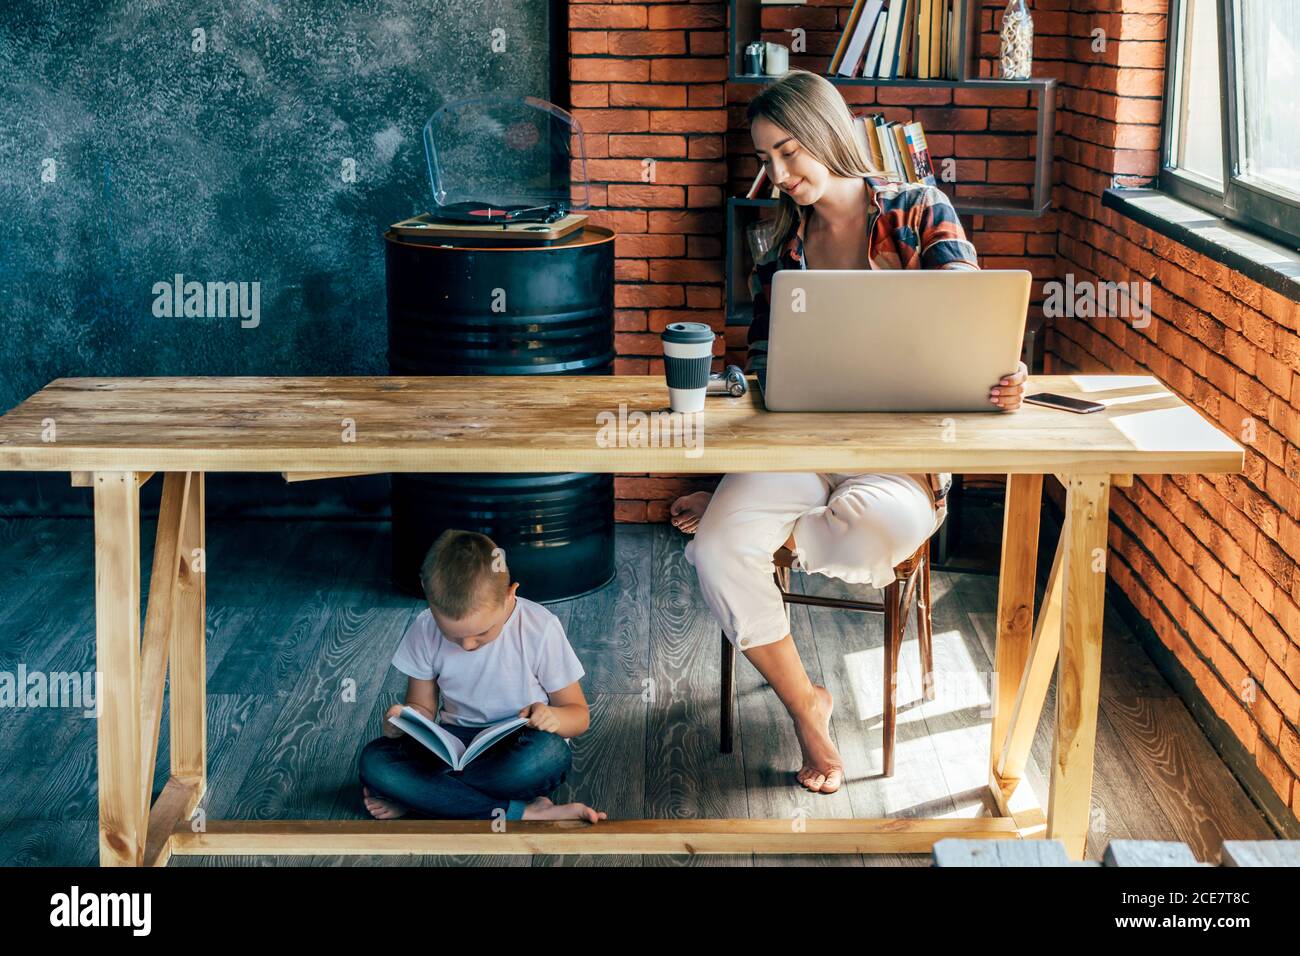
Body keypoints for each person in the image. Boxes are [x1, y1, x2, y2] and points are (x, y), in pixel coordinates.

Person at [671, 69, 1028, 795]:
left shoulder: (918, 209)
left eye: (791, 152)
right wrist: (732, 474)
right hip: (804, 449)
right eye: (767, 159)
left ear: (830, 134)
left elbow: (975, 323)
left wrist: (1006, 371)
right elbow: (765, 372)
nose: (779, 174)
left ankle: (768, 527)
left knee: (865, 526)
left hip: (902, 460)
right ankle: (807, 705)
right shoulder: (780, 247)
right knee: (713, 552)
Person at [358, 529, 606, 823]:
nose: (467, 645)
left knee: (548, 755)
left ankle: (423, 798)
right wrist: (404, 722)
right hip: (453, 747)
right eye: (453, 636)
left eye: (481, 633)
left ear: (510, 594)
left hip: (518, 746)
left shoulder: (540, 628)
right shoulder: (424, 628)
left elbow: (578, 716)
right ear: (429, 600)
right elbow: (422, 708)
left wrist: (552, 717)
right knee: (375, 761)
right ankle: (523, 811)